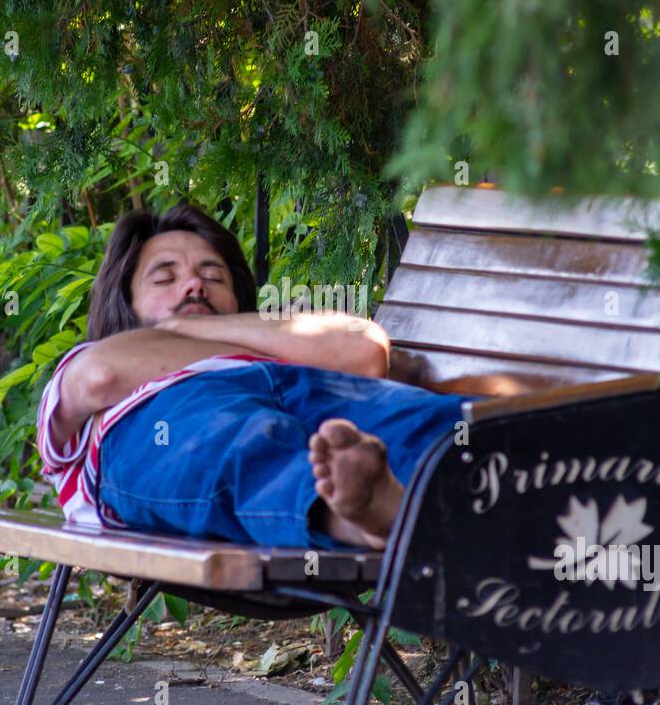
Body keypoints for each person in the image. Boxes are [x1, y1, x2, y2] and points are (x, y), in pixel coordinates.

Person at [35, 200, 482, 550]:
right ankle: (356, 512)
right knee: (247, 442)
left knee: (421, 418)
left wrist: (189, 324)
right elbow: (100, 376)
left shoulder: (263, 346)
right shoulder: (93, 360)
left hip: (302, 389)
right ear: (125, 305)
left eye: (213, 275)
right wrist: (182, 336)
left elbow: (362, 349)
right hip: (166, 413)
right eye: (164, 279)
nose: (194, 286)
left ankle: (519, 483)